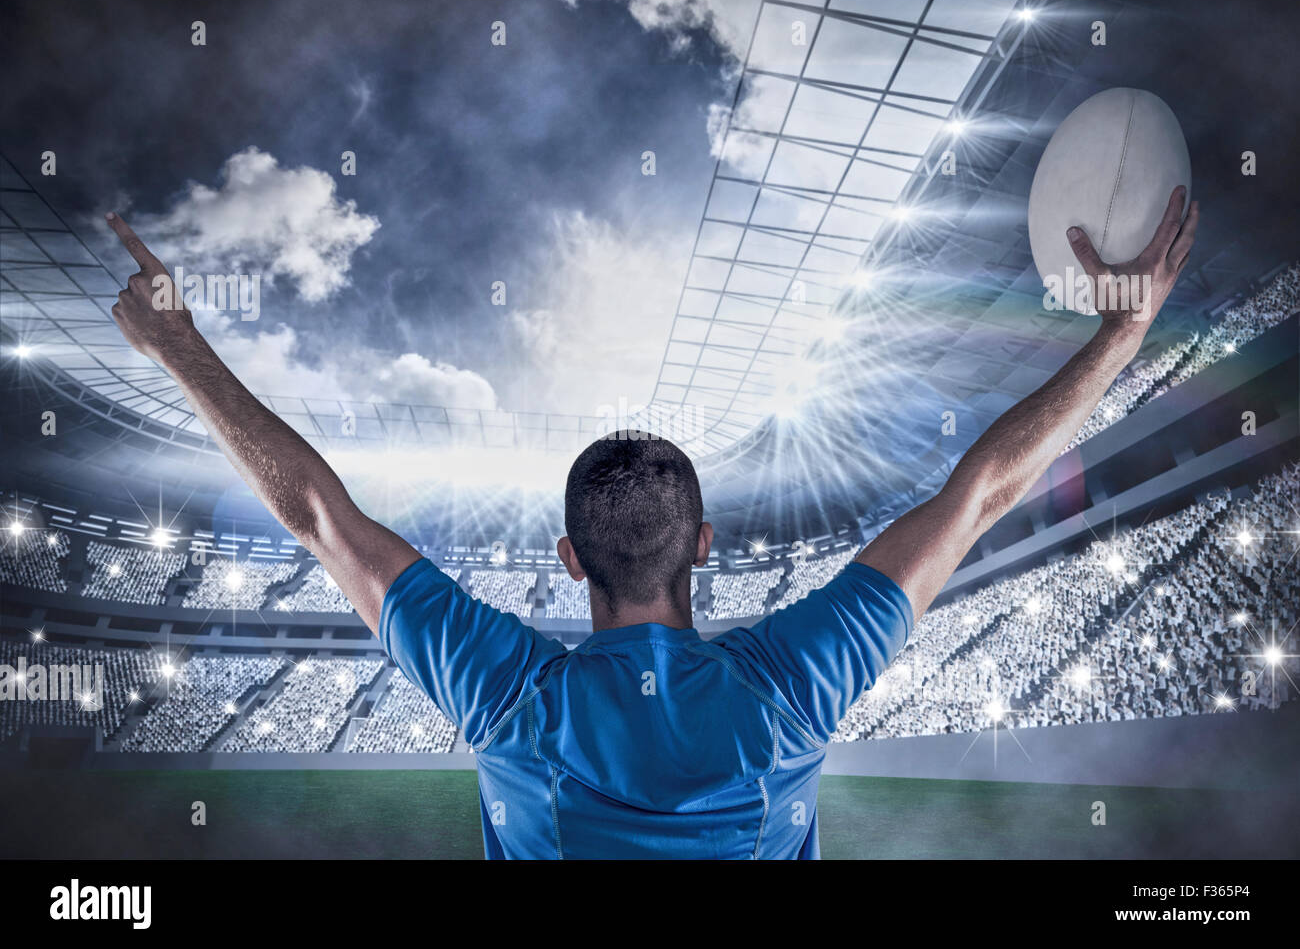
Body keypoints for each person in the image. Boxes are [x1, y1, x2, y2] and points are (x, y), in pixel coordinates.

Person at [102, 186, 1198, 858]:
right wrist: (1119, 336)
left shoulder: (511, 694)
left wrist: (180, 347)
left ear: (569, 557)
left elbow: (317, 518)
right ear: (705, 543)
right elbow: (982, 490)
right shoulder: (788, 683)